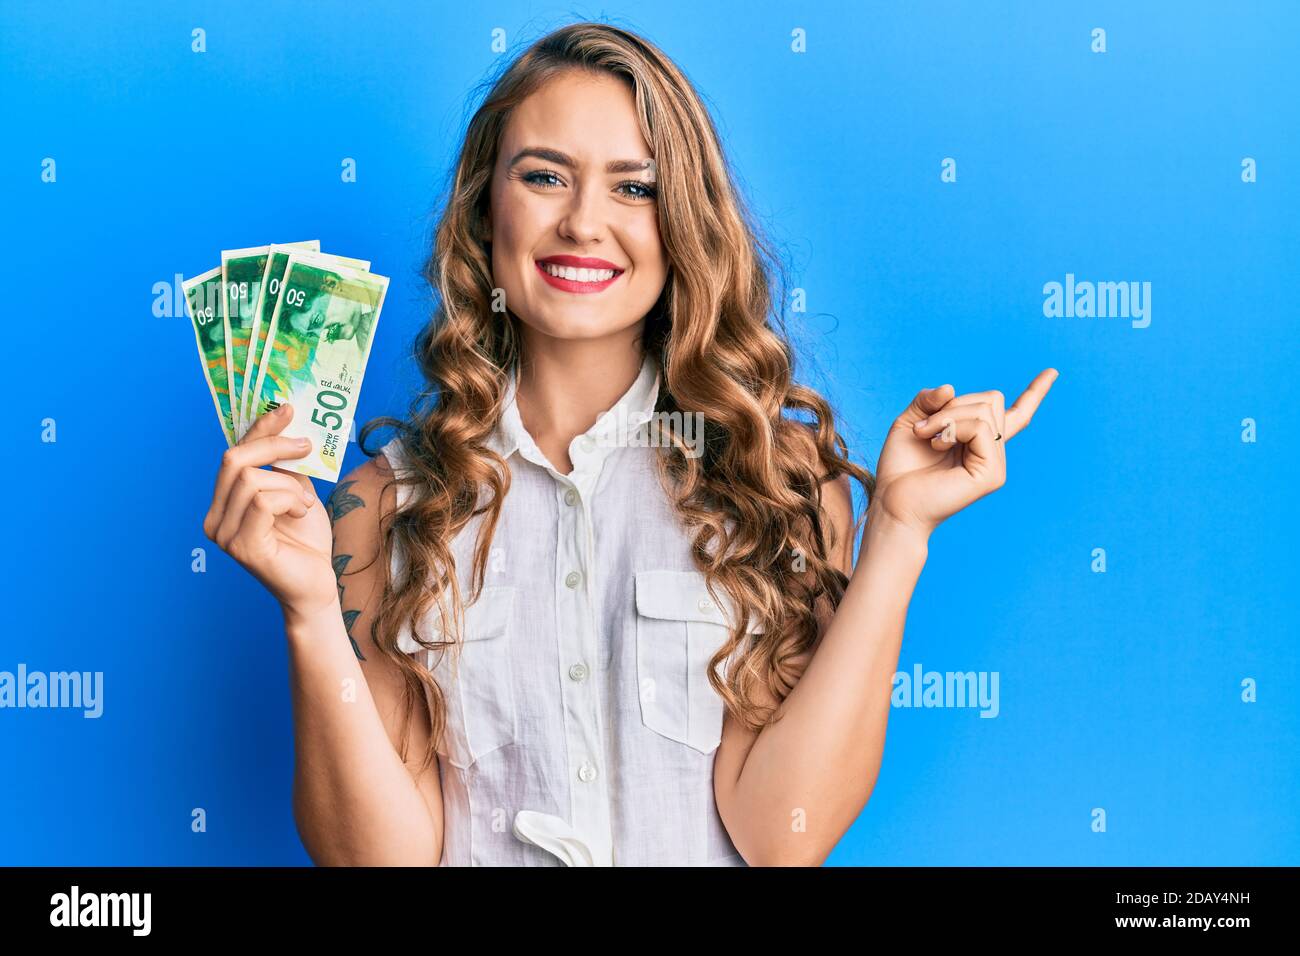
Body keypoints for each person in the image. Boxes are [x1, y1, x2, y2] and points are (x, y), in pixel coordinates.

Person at [202, 22, 1056, 867]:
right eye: (544, 177)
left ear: (682, 219)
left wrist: (900, 535)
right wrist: (310, 613)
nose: (583, 223)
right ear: (484, 207)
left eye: (634, 188)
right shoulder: (381, 508)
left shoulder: (779, 484)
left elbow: (780, 835)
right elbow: (377, 861)